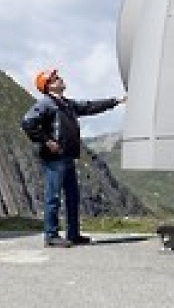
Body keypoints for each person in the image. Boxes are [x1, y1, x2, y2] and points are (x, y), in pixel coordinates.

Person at [20, 68, 126, 247]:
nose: (60, 80)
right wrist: (47, 141)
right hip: (55, 158)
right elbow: (27, 122)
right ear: (48, 86)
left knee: (72, 197)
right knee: (53, 197)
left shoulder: (66, 104)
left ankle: (73, 234)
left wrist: (114, 101)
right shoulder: (46, 104)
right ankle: (51, 236)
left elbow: (89, 106)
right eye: (56, 79)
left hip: (67, 156)